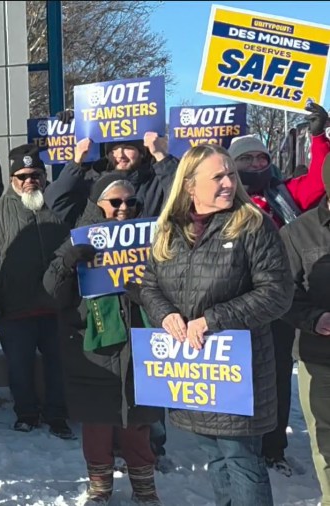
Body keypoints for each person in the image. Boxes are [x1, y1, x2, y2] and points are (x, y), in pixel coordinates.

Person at [140, 143, 293, 505]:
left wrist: (214, 319)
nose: (228, 183)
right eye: (218, 176)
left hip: (240, 370)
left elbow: (277, 294)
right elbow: (148, 285)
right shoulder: (169, 230)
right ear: (190, 185)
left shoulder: (252, 225)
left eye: (230, 175)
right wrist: (165, 314)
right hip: (194, 373)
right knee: (216, 457)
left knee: (241, 459)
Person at [44, 173, 162, 505]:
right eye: (115, 202)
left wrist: (146, 292)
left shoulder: (150, 240)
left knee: (137, 420)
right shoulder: (78, 237)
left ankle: (144, 486)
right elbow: (52, 292)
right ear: (98, 204)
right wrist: (67, 263)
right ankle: (99, 486)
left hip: (139, 343)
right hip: (92, 345)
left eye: (131, 202)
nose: (124, 208)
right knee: (97, 422)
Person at [227, 104, 329, 476]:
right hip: (235, 302)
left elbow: (322, 179)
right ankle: (241, 447)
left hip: (279, 301)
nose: (255, 163)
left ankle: (274, 448)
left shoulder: (284, 195)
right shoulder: (222, 199)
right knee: (239, 376)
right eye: (246, 158)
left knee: (276, 376)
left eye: (261, 157)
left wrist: (319, 137)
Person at [0, 144, 73, 439]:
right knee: (20, 367)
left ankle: (58, 415)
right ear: (12, 178)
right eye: (22, 175)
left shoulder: (59, 208)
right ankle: (26, 413)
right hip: (14, 306)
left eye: (35, 174)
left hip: (57, 306)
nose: (30, 181)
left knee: (58, 366)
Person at [279, 154, 330, 505]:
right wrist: (314, 318)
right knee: (327, 442)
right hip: (320, 358)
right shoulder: (298, 232)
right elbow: (282, 293)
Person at [46, 128, 177, 225]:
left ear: (142, 153)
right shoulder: (91, 181)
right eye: (114, 149)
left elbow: (183, 195)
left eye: (128, 148)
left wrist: (161, 156)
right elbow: (56, 202)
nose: (120, 155)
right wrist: (76, 162)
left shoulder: (156, 180)